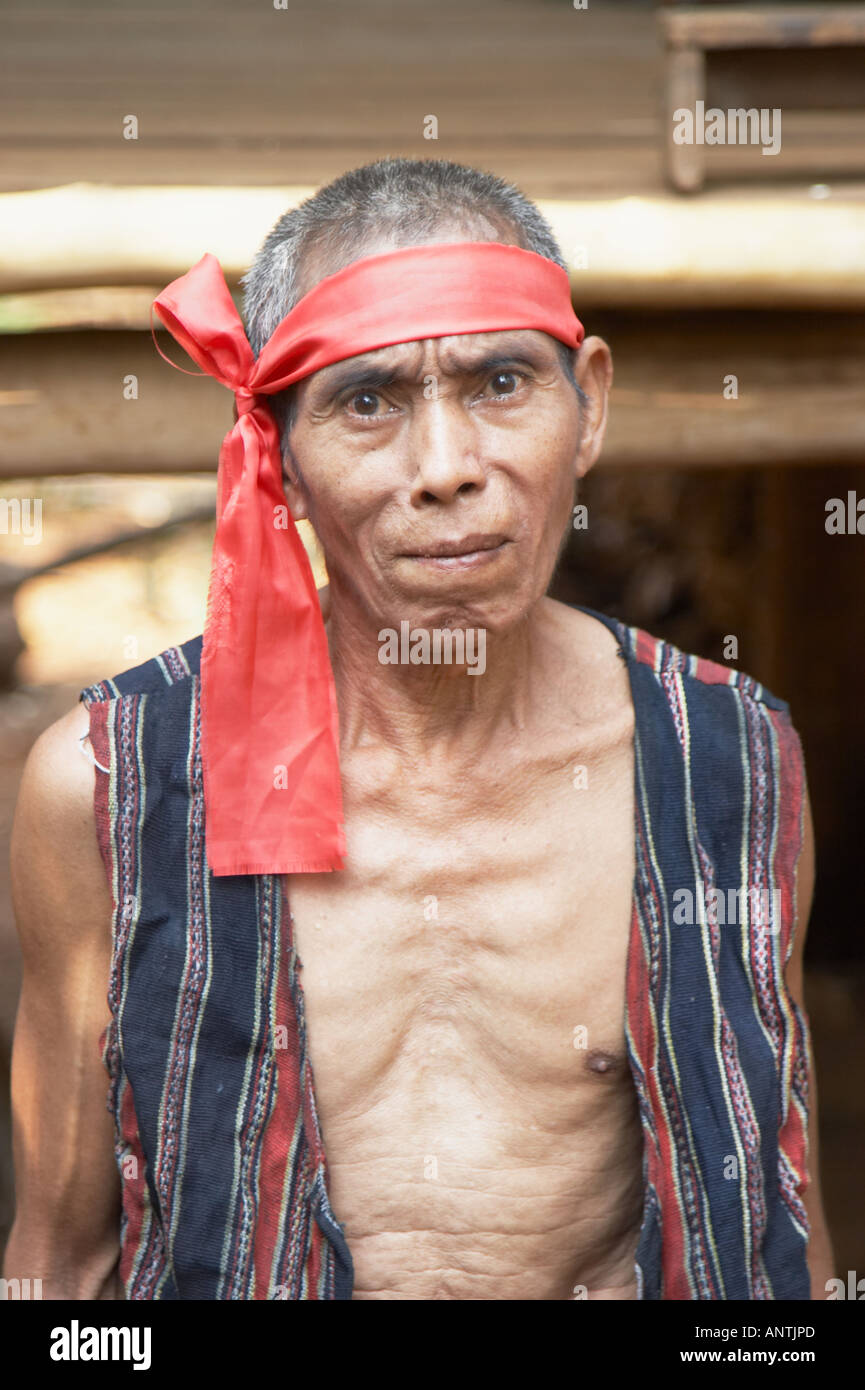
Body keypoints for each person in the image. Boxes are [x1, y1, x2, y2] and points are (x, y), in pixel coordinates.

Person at [4, 158, 833, 1300]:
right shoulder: (106, 785)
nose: (446, 470)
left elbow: (777, 1217)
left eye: (500, 383)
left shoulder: (730, 760)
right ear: (276, 454)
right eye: (367, 401)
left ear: (588, 403)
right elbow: (57, 1261)